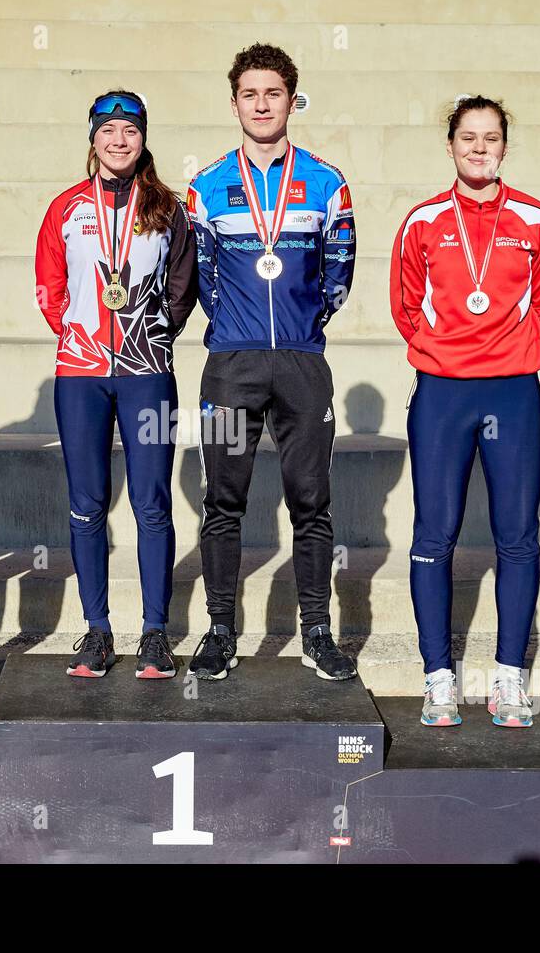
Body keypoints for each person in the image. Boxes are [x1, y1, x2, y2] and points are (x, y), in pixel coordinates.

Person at [391, 96, 540, 729]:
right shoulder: (422, 221)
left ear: (505, 147)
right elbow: (407, 306)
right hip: (442, 392)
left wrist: (504, 351)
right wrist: (448, 352)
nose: (480, 148)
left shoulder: (537, 219)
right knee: (433, 535)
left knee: (516, 538)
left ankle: (510, 679)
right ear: (451, 145)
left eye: (491, 138)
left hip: (513, 391)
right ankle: (439, 677)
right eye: (469, 137)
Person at [185, 43, 357, 681]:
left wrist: (302, 330)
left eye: (273, 93)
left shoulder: (327, 182)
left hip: (302, 366)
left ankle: (316, 630)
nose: (262, 104)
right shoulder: (204, 188)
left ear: (292, 99)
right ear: (235, 104)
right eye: (250, 94)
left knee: (311, 500)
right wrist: (240, 329)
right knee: (223, 500)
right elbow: (201, 276)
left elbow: (337, 276)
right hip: (230, 365)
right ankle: (221, 629)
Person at [35, 90, 198, 679]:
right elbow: (50, 286)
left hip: (146, 372)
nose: (119, 140)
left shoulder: (169, 209)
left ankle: (155, 632)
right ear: (93, 137)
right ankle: (97, 630)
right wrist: (78, 334)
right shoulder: (64, 208)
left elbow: (184, 286)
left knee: (152, 503)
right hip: (80, 375)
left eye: (130, 130)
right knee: (87, 504)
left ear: (143, 137)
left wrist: (151, 333)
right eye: (108, 130)